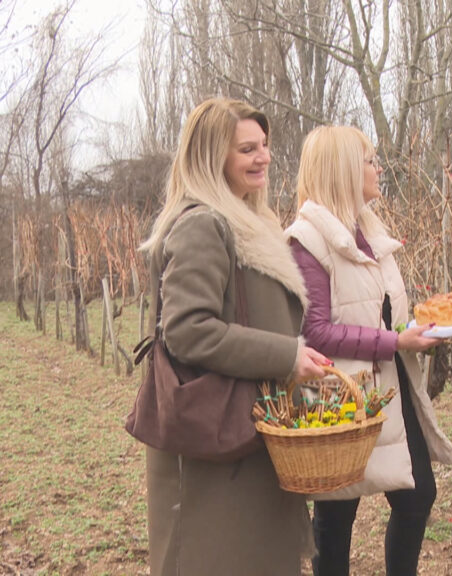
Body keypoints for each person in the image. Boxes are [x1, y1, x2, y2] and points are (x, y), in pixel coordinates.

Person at [137, 98, 329, 575]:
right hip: (215, 446)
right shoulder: (204, 225)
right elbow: (187, 331)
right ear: (211, 157)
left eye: (264, 145)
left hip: (249, 435)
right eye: (246, 149)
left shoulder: (250, 224)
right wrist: (287, 355)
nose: (263, 156)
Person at [284, 125, 452, 575]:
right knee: (336, 513)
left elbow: (378, 309)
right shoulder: (308, 239)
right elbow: (317, 332)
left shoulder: (368, 231)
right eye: (369, 160)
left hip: (389, 384)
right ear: (343, 169)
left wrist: (424, 325)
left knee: (418, 494)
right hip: (339, 395)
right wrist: (395, 342)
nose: (378, 168)